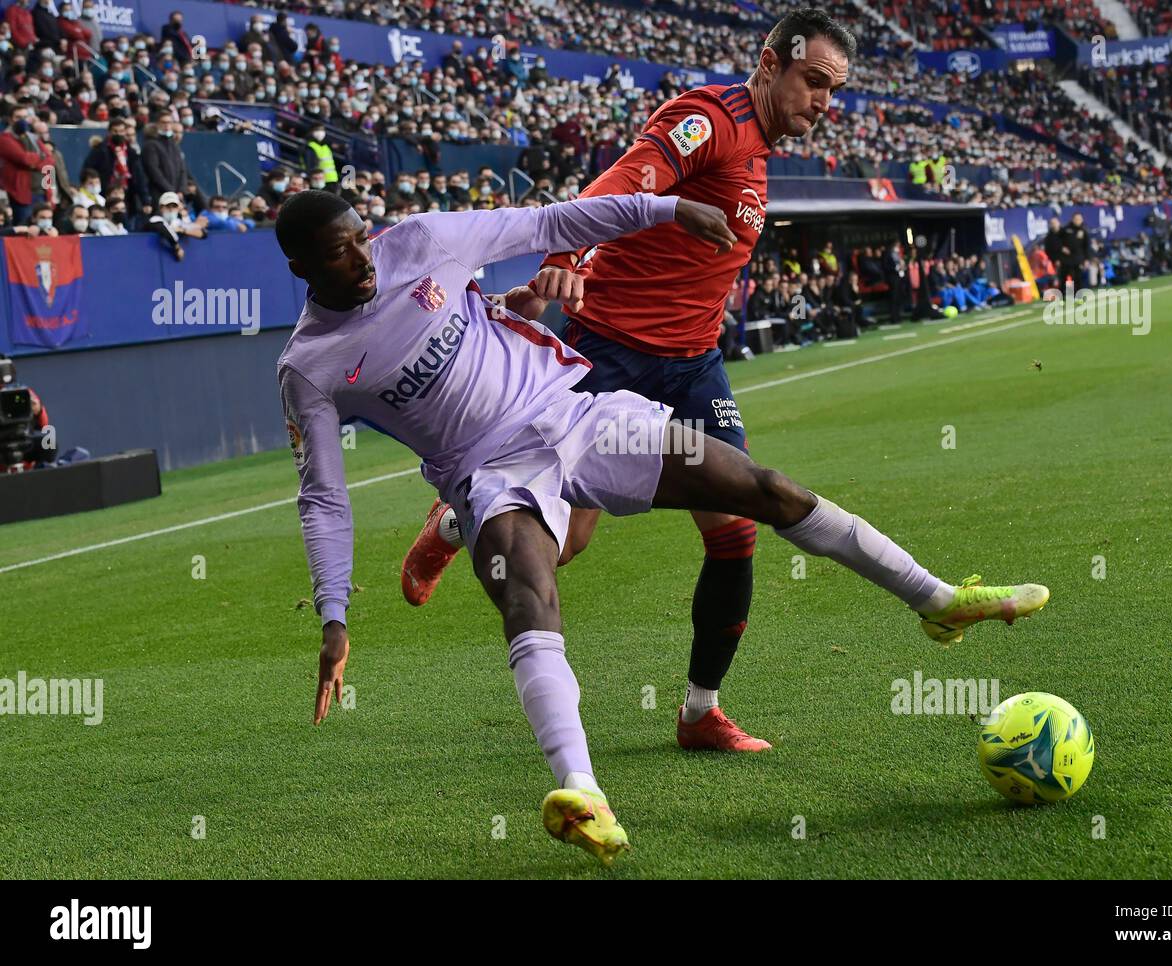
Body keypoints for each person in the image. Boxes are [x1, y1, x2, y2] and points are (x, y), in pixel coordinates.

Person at [275, 189, 1049, 866]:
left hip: (580, 418)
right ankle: (582, 791)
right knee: (530, 593)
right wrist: (335, 615)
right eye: (340, 253)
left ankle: (937, 600)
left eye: (360, 236)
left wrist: (666, 209)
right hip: (492, 477)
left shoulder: (419, 241)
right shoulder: (310, 365)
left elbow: (555, 219)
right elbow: (324, 498)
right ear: (302, 270)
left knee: (764, 489)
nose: (363, 257)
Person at [401, 7, 854, 753]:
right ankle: (452, 524)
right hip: (608, 348)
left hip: (694, 365)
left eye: (833, 91)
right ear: (770, 64)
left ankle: (700, 710)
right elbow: (626, 180)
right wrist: (567, 257)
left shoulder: (760, 151)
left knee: (737, 527)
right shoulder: (707, 120)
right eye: (813, 82)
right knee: (563, 538)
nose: (822, 103)